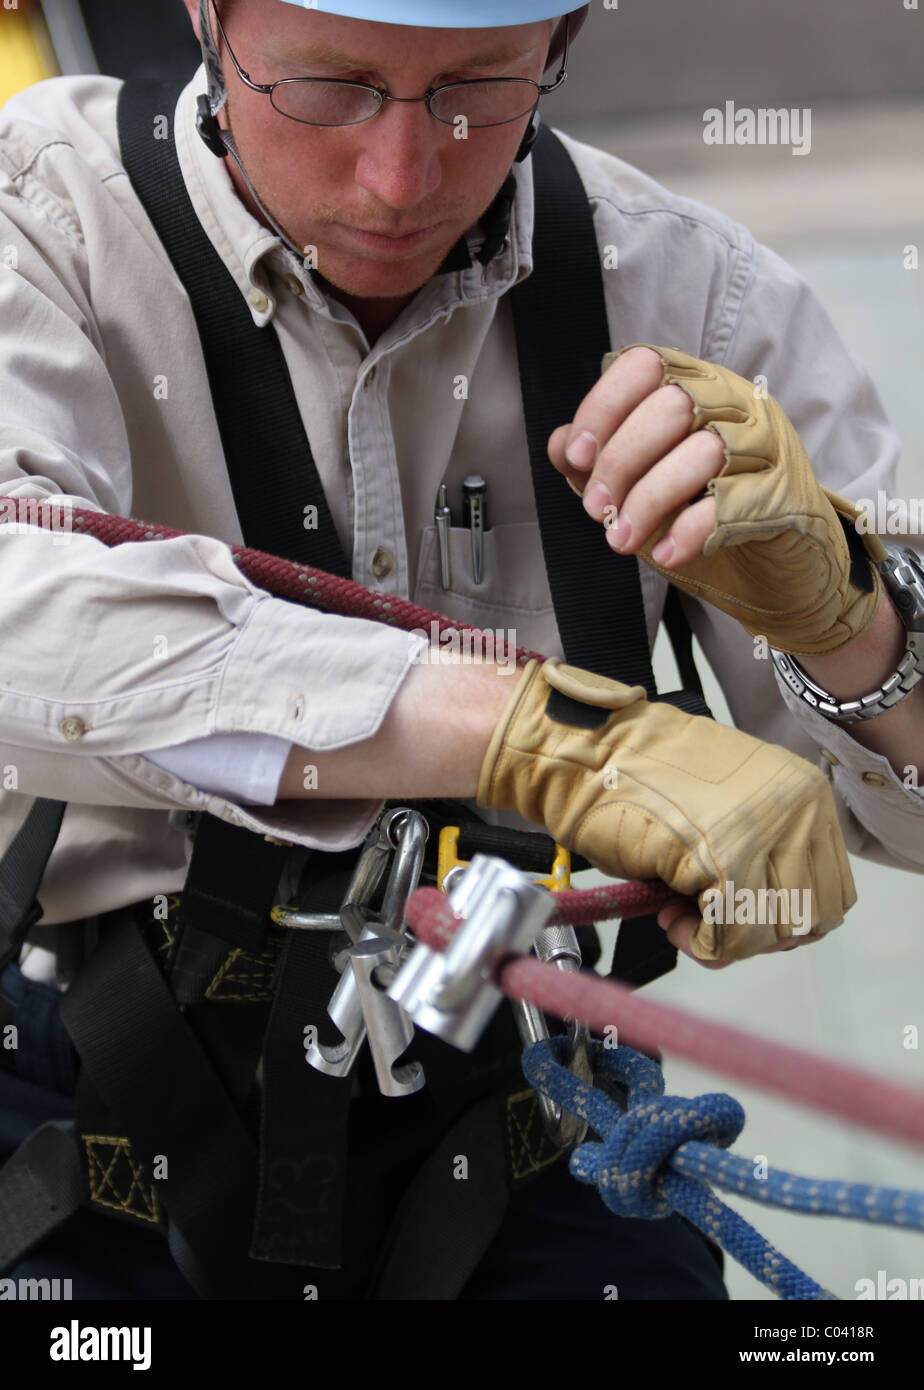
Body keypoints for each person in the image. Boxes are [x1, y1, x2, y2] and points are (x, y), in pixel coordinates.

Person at [0, 0, 921, 1301]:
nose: (400, 176)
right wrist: (529, 736)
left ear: (566, 39)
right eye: (330, 87)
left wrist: (850, 627)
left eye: (480, 89)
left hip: (519, 1126)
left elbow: (904, 818)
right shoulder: (41, 212)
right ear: (204, 15)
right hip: (78, 1129)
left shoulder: (695, 295)